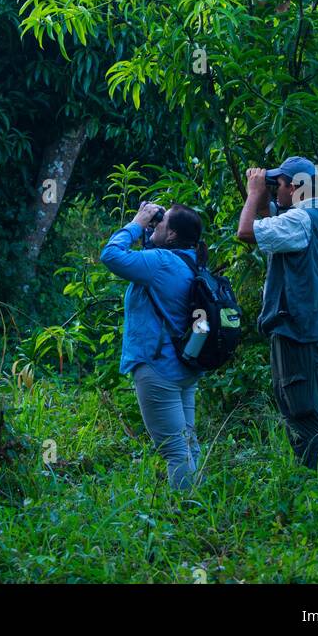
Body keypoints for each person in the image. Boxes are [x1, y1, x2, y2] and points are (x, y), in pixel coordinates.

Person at [236, 156, 318, 472]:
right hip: (304, 325)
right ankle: (317, 483)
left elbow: (246, 232)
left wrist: (253, 193)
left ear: (295, 187)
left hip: (298, 327)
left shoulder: (302, 220)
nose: (273, 189)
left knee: (304, 411)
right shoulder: (315, 216)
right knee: (301, 407)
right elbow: (271, 228)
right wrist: (265, 201)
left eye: (277, 184)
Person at [100, 201, 207, 492]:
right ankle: (201, 508)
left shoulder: (160, 263)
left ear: (171, 235)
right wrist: (152, 227)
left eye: (161, 223)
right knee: (187, 443)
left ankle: (185, 517)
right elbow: (150, 256)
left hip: (158, 369)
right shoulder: (190, 260)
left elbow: (110, 255)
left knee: (174, 450)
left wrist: (136, 222)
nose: (154, 224)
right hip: (185, 367)